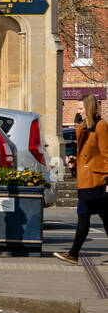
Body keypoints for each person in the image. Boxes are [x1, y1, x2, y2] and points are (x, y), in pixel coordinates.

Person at [56, 94, 108, 265]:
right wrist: (75, 160)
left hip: (96, 181)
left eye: (81, 109)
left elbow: (106, 155)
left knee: (85, 216)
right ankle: (73, 254)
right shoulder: (85, 128)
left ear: (90, 108)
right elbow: (87, 155)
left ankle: (73, 253)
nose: (79, 112)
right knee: (91, 217)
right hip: (86, 180)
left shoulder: (101, 126)